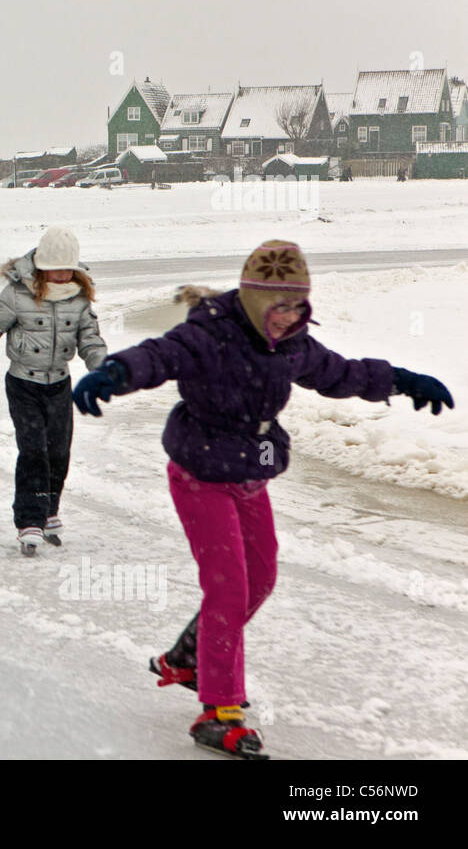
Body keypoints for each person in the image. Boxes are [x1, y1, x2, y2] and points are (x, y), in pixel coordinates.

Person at [72, 240, 455, 758]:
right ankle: (218, 711)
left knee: (261, 578)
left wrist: (402, 379)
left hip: (251, 470)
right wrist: (114, 373)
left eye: (298, 305)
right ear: (254, 302)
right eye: (280, 306)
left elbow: (341, 374)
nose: (290, 316)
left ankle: (188, 658)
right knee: (228, 588)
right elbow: (158, 355)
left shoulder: (294, 342)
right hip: (200, 472)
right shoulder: (210, 332)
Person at [0, 226, 107, 553]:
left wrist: (103, 369)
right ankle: (29, 520)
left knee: (59, 451)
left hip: (59, 383)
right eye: (55, 268)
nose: (62, 275)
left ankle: (49, 510)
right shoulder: (18, 294)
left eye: (68, 268)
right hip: (23, 384)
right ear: (41, 264)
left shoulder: (78, 297)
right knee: (33, 450)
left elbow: (90, 339)